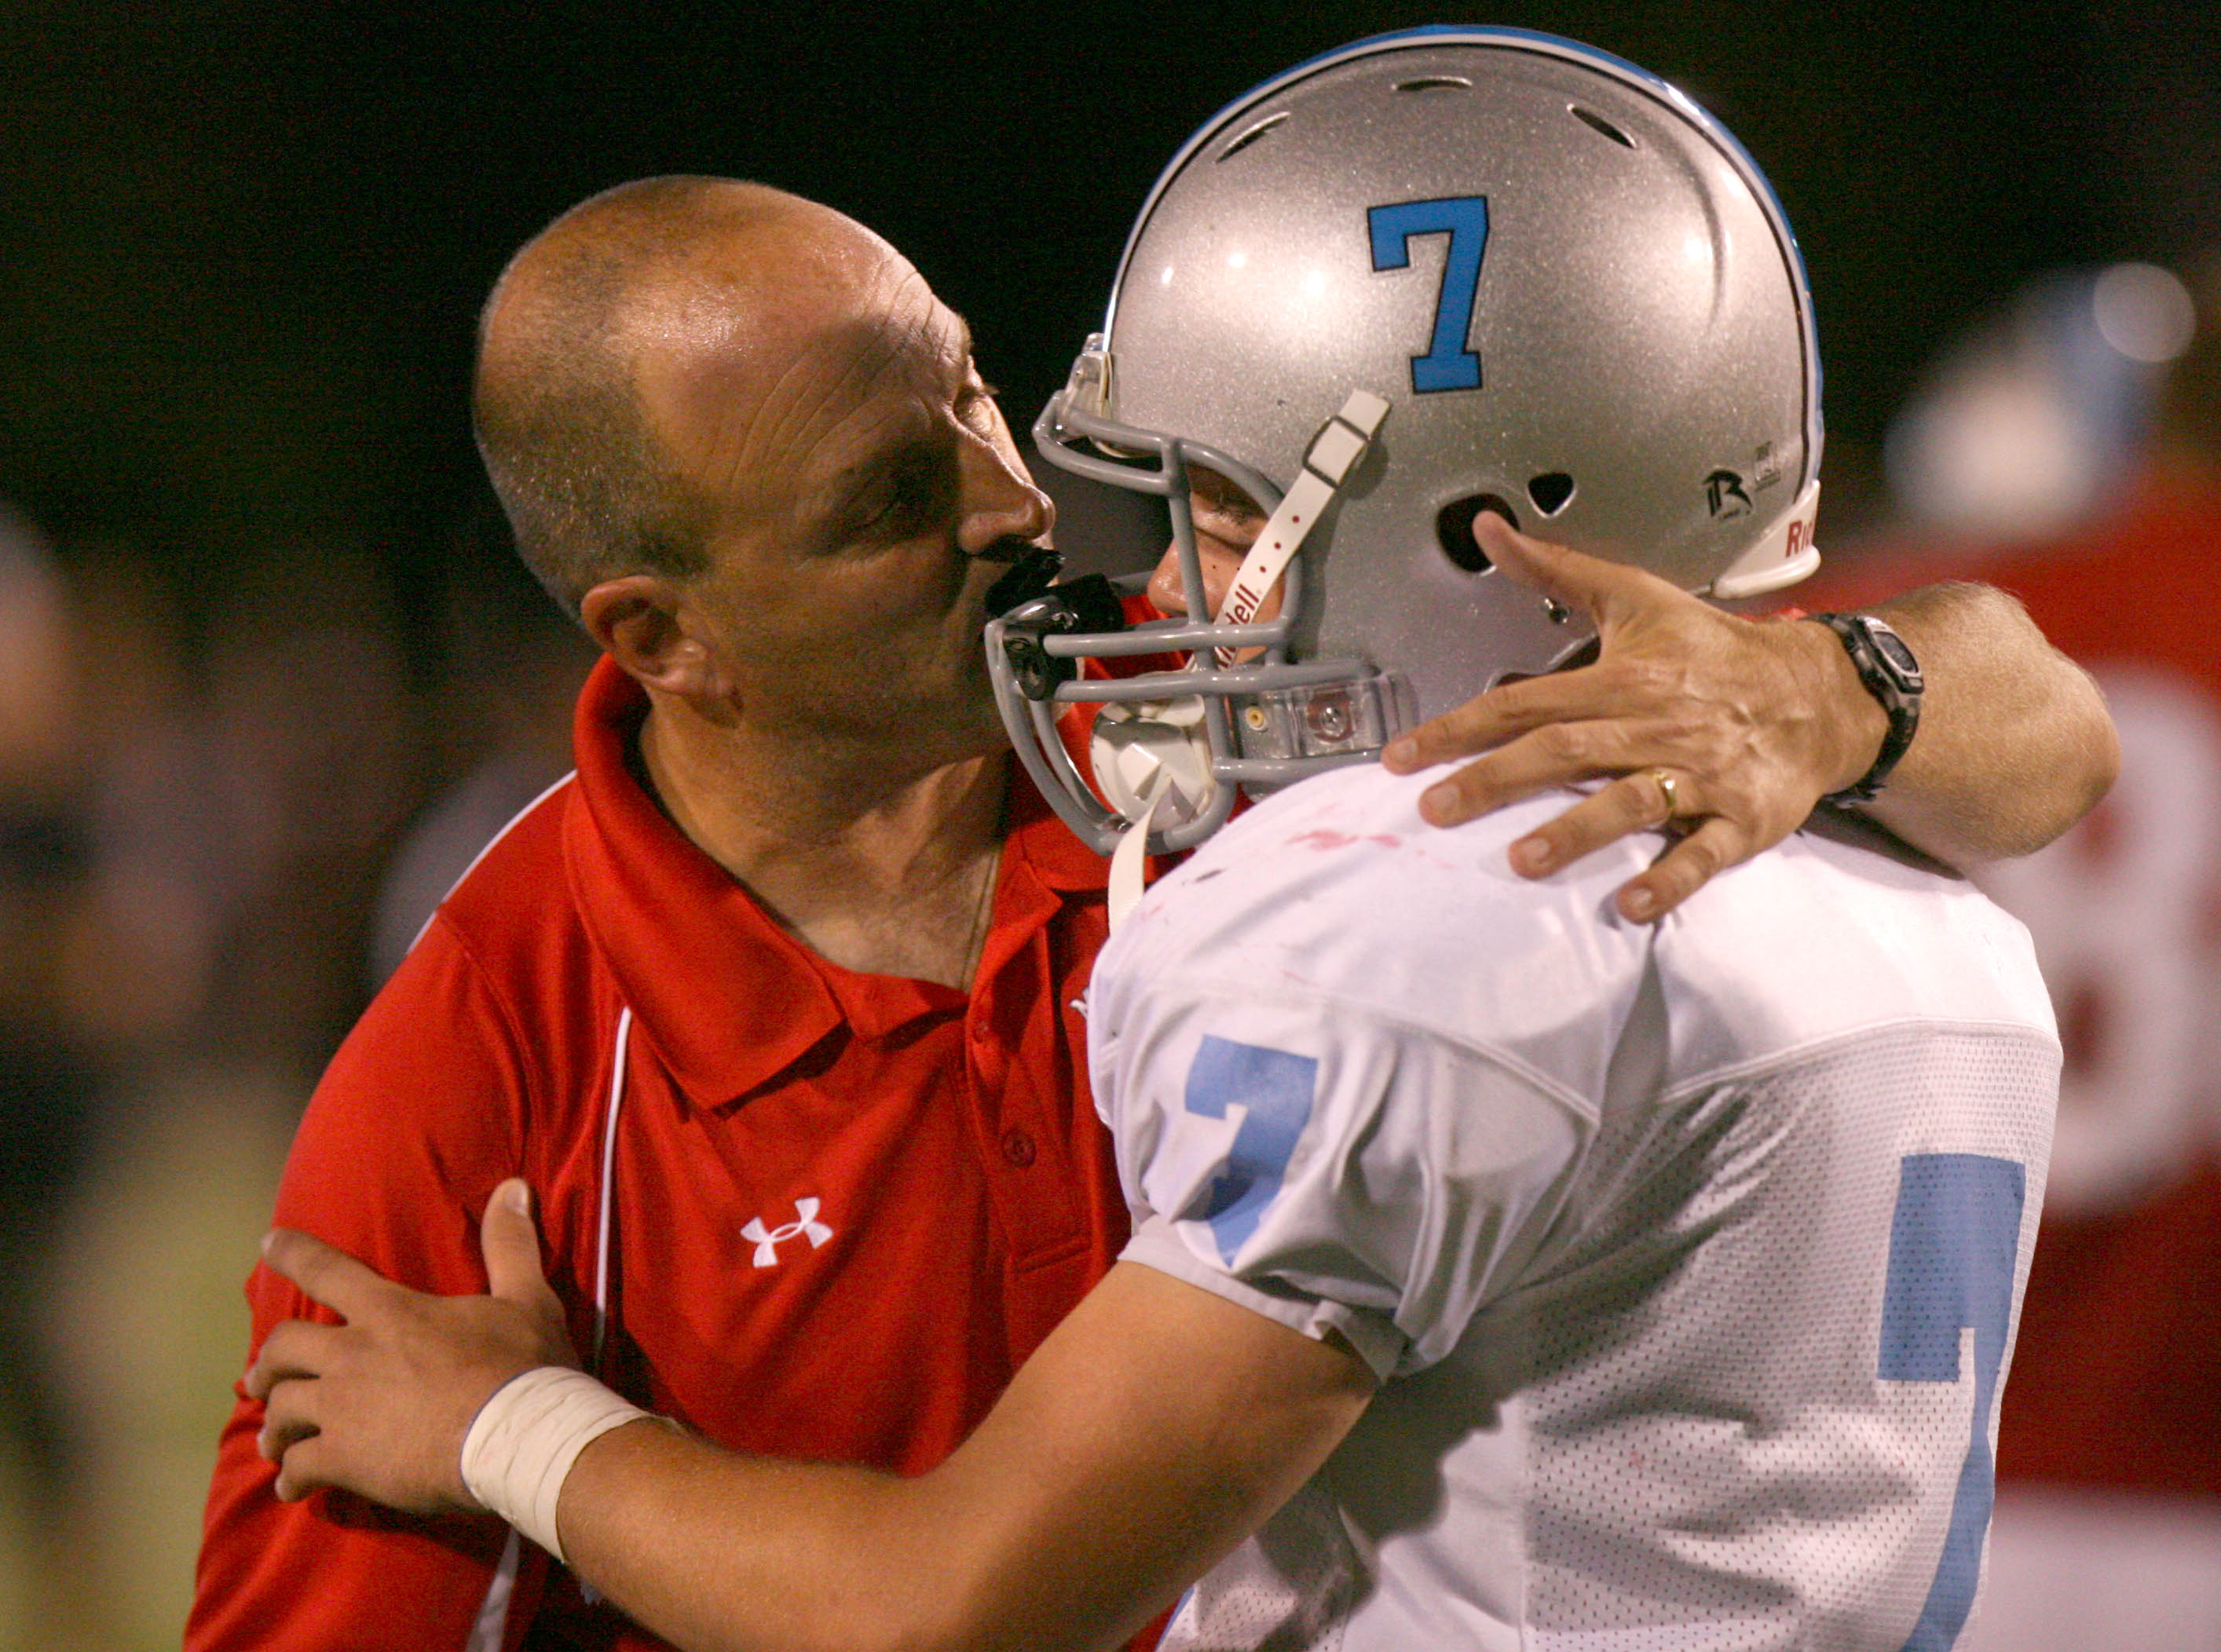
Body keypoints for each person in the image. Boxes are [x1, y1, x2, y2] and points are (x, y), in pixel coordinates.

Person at [240, 31, 2078, 1652]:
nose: (1022, 499)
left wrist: (1837, 686)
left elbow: (2044, 719)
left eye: (965, 386)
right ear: (661, 637)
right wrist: (1847, 697)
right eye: (890, 497)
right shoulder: (497, 1054)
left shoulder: (1371, 793)